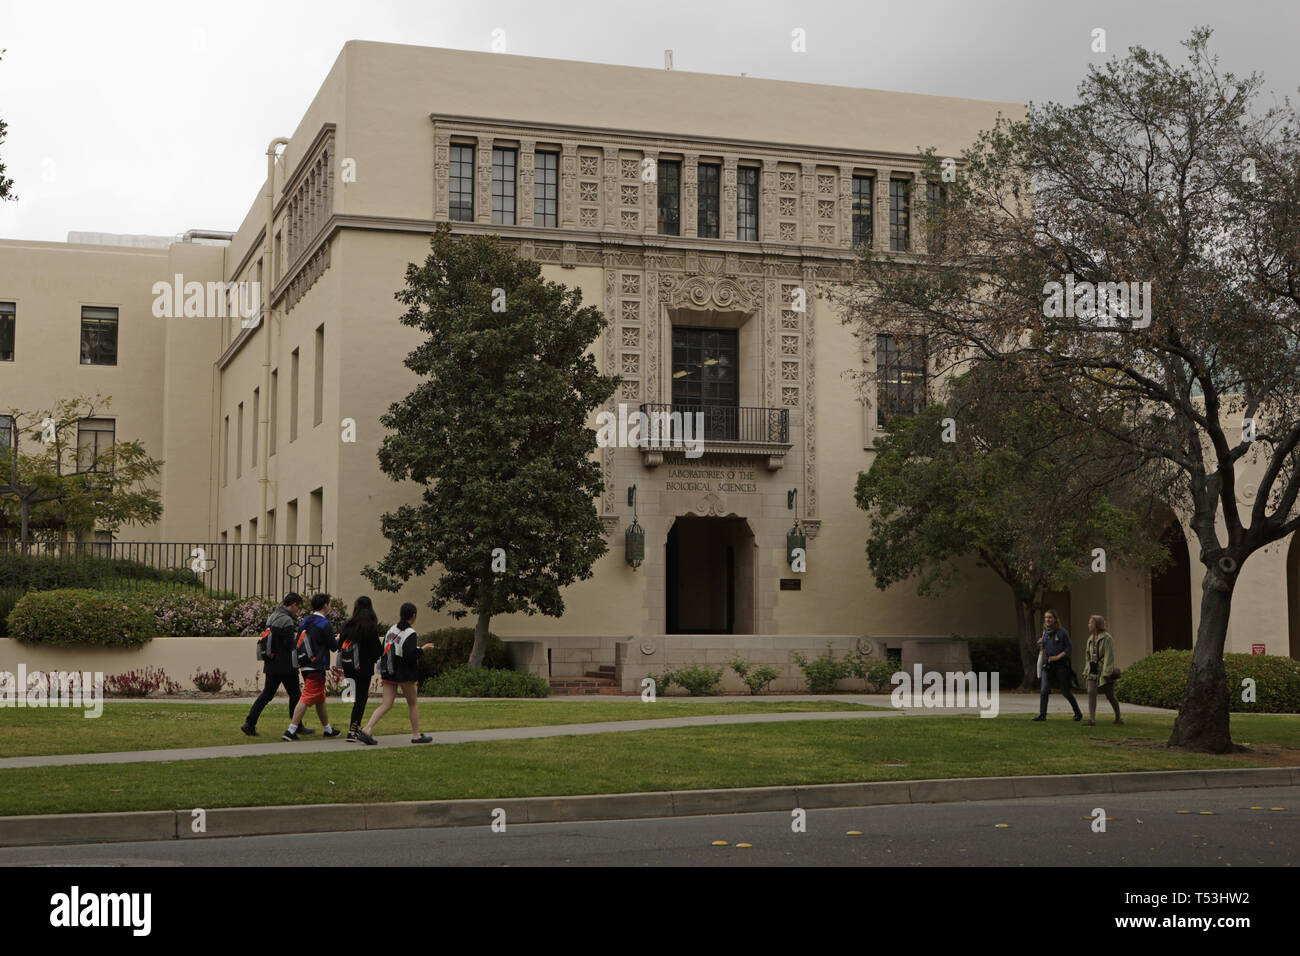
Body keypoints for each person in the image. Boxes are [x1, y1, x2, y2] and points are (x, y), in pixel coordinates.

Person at [356, 602, 431, 745]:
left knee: (386, 704)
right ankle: (416, 735)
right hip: (404, 673)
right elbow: (410, 654)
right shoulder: (410, 633)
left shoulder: (391, 630)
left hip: (388, 671)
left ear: (401, 614)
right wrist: (422, 649)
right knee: (413, 703)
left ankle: (367, 729)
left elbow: (385, 647)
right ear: (413, 616)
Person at [241, 592, 314, 736]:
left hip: (271, 663)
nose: (297, 611)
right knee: (295, 695)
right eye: (297, 607)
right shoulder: (286, 620)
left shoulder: (272, 616)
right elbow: (289, 644)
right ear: (293, 605)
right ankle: (297, 725)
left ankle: (249, 723)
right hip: (286, 665)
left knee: (266, 695)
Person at [282, 593, 341, 741]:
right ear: (325, 605)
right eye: (329, 603)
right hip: (317, 665)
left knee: (320, 698)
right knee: (307, 698)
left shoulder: (304, 622)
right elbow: (333, 647)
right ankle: (291, 730)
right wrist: (339, 639)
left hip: (304, 664)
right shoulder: (324, 624)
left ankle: (327, 729)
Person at [339, 596, 382, 742]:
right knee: (361, 699)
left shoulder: (348, 625)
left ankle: (354, 726)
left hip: (349, 666)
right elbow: (377, 650)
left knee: (354, 697)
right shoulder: (369, 626)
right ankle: (353, 729)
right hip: (363, 667)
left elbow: (340, 644)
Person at [1032, 608, 1082, 721]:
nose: (1047, 619)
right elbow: (1045, 647)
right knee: (1044, 690)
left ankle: (1078, 713)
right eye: (1046, 617)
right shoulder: (1045, 632)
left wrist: (1057, 657)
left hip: (1060, 666)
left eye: (1050, 617)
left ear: (1055, 619)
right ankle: (1042, 715)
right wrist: (1041, 642)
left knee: (1065, 691)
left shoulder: (1062, 632)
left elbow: (1069, 648)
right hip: (1048, 666)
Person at [1083, 614, 1123, 725]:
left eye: (1091, 622)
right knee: (1091, 692)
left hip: (1104, 670)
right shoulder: (1090, 639)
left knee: (1110, 695)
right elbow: (1087, 656)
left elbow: (1109, 656)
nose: (1089, 625)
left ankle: (1118, 717)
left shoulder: (1107, 638)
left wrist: (1106, 672)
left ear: (1097, 624)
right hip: (1093, 669)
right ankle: (1092, 719)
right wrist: (1086, 671)